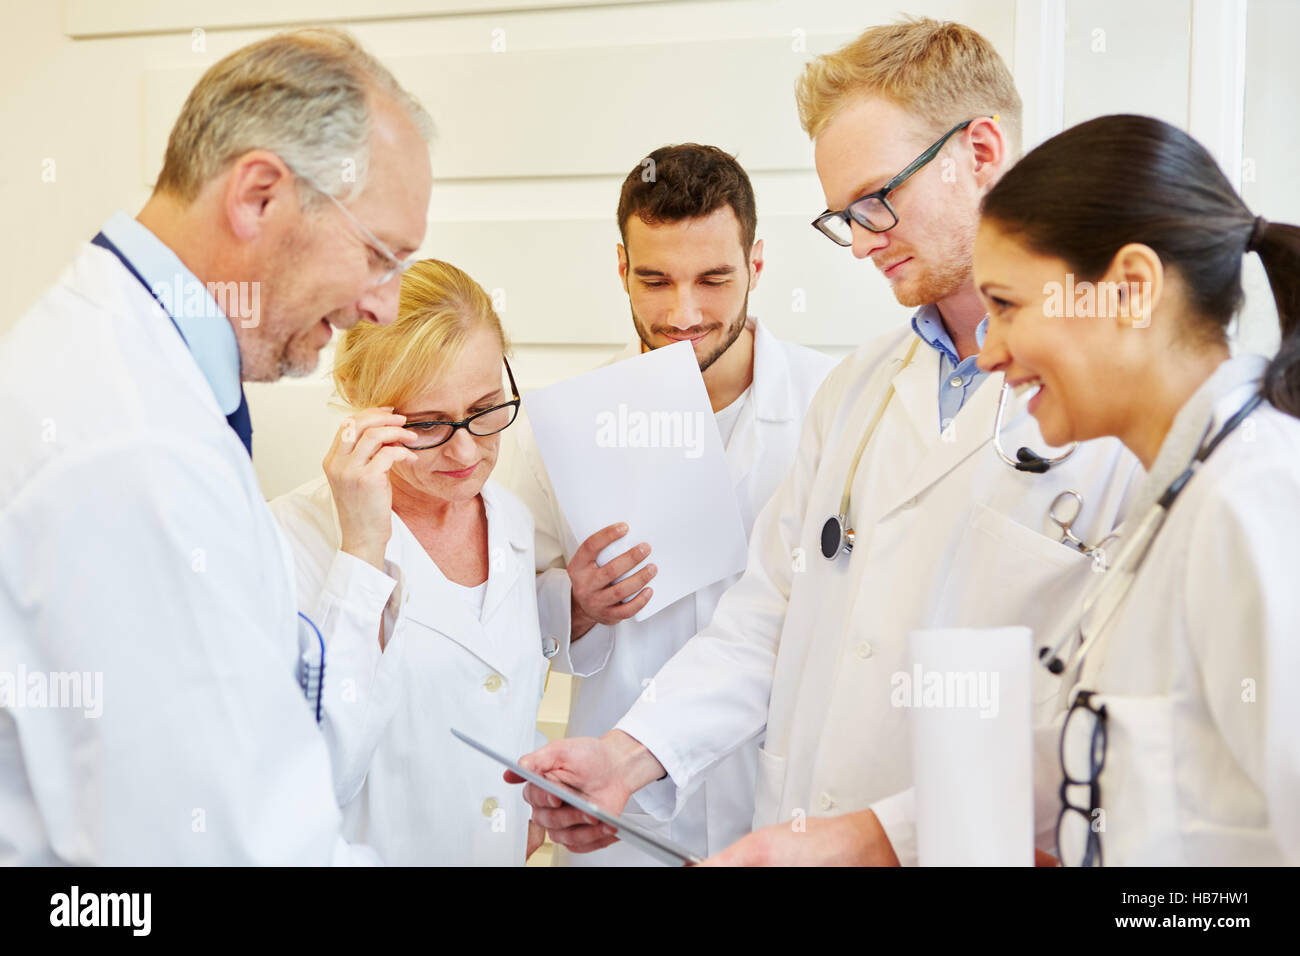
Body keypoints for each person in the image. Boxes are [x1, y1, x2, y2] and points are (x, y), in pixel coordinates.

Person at [510, 17, 1142, 866]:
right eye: (846, 216)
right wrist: (626, 758)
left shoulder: (1122, 412)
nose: (864, 241)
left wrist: (876, 838)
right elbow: (764, 617)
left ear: (981, 152)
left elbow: (1127, 727)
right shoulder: (857, 392)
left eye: (879, 198)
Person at [0, 28, 433, 864]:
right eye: (381, 255)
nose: (384, 306)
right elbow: (222, 850)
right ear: (259, 196)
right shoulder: (133, 444)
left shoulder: (147, 376)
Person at [972, 114, 1300, 866]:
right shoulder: (1183, 495)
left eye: (1007, 306)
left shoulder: (1259, 497)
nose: (989, 354)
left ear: (1128, 290)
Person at [499, 143, 835, 864]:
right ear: (621, 267)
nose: (684, 313)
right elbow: (502, 629)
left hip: (780, 807)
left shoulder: (835, 406)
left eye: (714, 279)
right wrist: (575, 605)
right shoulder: (558, 428)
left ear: (757, 265)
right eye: (654, 280)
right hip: (619, 823)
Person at [272, 259, 554, 866]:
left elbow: (493, 699)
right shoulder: (287, 541)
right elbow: (315, 780)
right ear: (361, 403)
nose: (466, 450)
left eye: (486, 407)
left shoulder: (510, 518)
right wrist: (361, 552)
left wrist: (525, 803)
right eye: (427, 424)